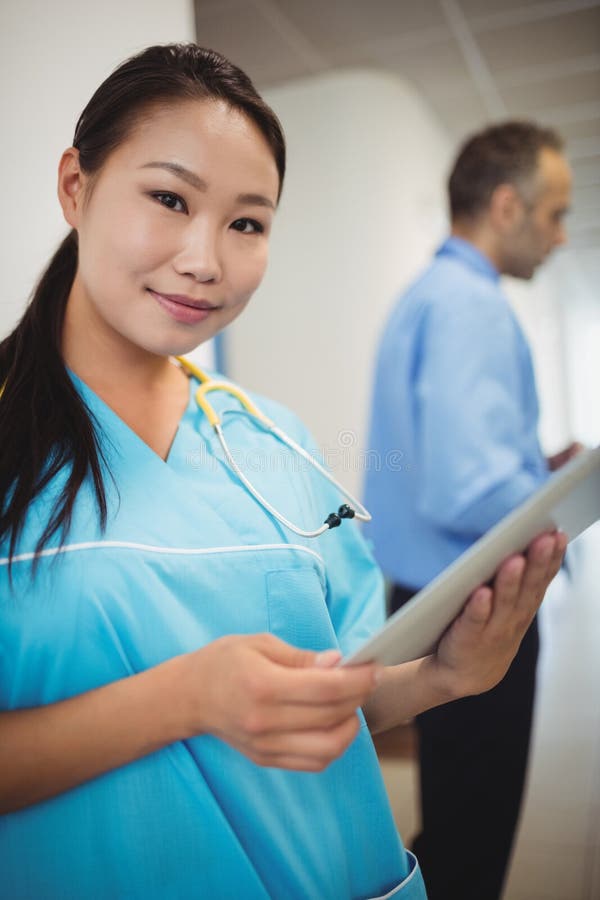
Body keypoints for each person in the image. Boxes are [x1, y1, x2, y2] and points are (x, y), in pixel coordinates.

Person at [0, 49, 565, 900]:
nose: (205, 260)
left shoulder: (277, 444)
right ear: (76, 186)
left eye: (247, 223)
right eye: (168, 199)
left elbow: (328, 699)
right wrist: (186, 697)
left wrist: (442, 678)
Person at [364, 121, 578, 900]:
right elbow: (465, 487)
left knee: (453, 819)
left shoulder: (426, 295)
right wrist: (563, 498)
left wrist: (533, 465)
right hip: (474, 614)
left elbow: (443, 461)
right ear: (506, 206)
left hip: (426, 598)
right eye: (554, 213)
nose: (560, 236)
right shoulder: (471, 306)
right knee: (473, 842)